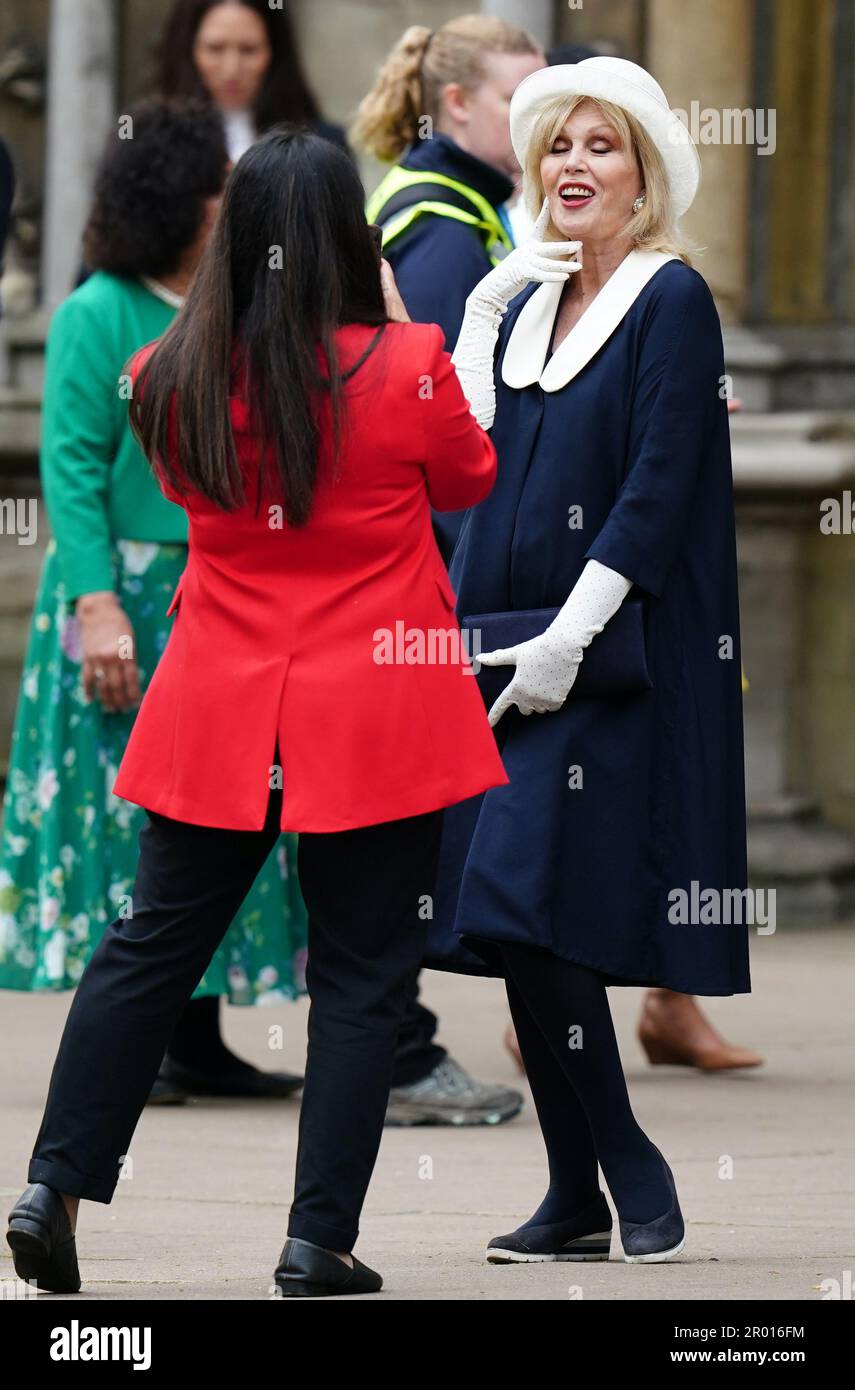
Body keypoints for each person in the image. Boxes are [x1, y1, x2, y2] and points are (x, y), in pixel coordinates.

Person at [6, 125, 508, 1298]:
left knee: (149, 946)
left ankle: (53, 1186)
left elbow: (183, 481)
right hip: (376, 707)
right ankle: (316, 1240)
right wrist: (396, 320)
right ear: (348, 238)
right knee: (361, 975)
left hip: (222, 700)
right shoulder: (406, 362)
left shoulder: (168, 373)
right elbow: (471, 477)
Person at [426, 58, 752, 1264]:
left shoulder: (673, 299)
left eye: (601, 145)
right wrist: (479, 315)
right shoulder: (522, 304)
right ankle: (575, 1195)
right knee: (513, 918)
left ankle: (621, 1157)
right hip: (503, 646)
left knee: (531, 905)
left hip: (611, 658)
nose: (574, 163)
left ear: (644, 174)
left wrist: (572, 636)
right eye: (557, 144)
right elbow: (464, 459)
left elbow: (656, 492)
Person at [0, 100, 306, 1104]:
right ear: (176, 200)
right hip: (120, 594)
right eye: (215, 188)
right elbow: (71, 470)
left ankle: (199, 1036)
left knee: (222, 813)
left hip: (219, 587)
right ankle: (145, 1041)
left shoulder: (239, 304)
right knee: (125, 817)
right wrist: (98, 607)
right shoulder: (95, 312)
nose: (227, 204)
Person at [355, 15, 544, 563]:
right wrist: (472, 567)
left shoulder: (457, 200)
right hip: (446, 548)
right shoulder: (443, 231)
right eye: (518, 101)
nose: (543, 122)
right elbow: (441, 408)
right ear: (458, 102)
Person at [154, 0, 349, 161]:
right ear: (188, 50)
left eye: (248, 50)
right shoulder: (156, 142)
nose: (231, 70)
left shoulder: (324, 145)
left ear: (274, 52)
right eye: (215, 48)